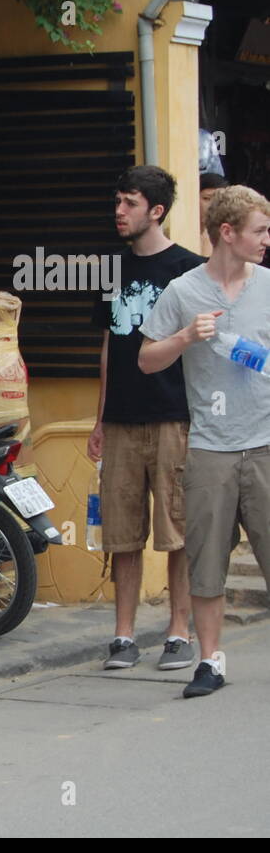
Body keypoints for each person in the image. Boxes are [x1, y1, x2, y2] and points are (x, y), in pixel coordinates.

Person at [139, 184, 270, 698]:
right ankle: (210, 661)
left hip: (265, 443)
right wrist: (186, 338)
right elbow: (148, 360)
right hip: (211, 449)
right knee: (207, 561)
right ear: (228, 233)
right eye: (259, 230)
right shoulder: (183, 292)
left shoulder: (268, 286)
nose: (266, 240)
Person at [88, 166, 204, 671]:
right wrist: (98, 417)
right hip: (120, 420)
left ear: (156, 211)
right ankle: (123, 635)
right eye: (117, 201)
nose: (119, 210)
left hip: (175, 416)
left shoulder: (191, 271)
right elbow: (110, 344)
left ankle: (180, 631)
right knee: (121, 532)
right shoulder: (110, 270)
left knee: (177, 529)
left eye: (130, 202)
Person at [198, 173, 229, 258]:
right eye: (207, 198)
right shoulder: (180, 231)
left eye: (218, 200)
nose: (212, 205)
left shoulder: (227, 236)